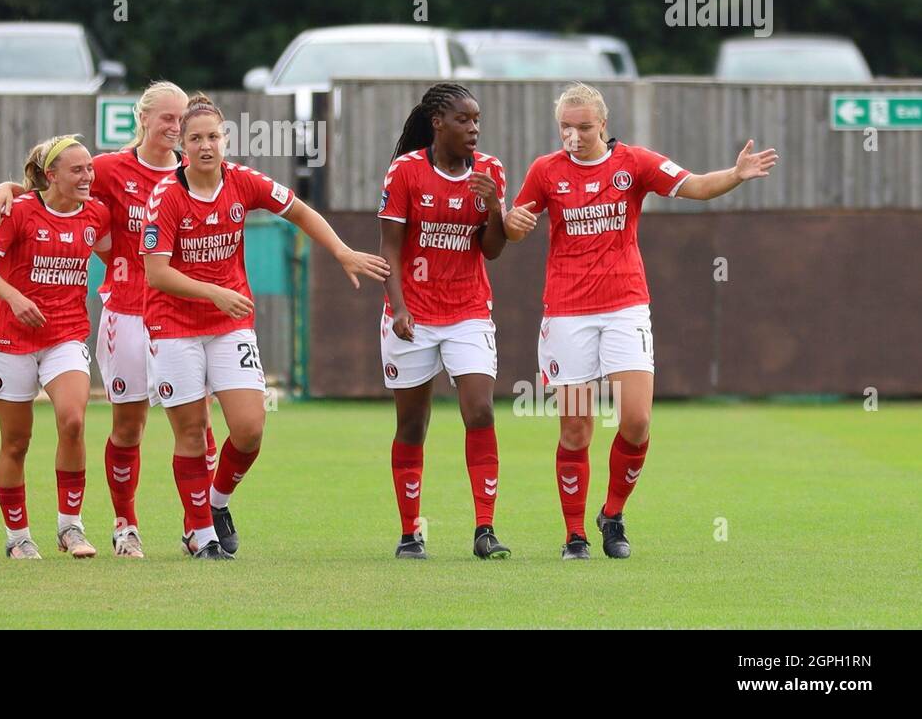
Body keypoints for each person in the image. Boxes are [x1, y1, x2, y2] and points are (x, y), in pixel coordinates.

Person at [505, 82, 778, 559]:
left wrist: (736, 174)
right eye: (565, 128)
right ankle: (574, 535)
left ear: (603, 124)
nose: (573, 136)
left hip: (625, 306)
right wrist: (513, 223)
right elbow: (513, 225)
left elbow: (694, 186)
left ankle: (612, 514)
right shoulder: (545, 171)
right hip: (567, 313)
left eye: (583, 127)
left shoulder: (634, 163)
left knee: (636, 419)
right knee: (575, 429)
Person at [142, 93, 389, 558]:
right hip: (173, 324)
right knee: (191, 432)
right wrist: (215, 291)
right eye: (195, 138)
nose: (206, 146)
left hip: (230, 324)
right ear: (182, 144)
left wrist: (341, 252)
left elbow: (298, 210)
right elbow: (156, 273)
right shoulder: (167, 196)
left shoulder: (243, 182)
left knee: (250, 428)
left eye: (213, 136)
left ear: (225, 139)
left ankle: (216, 504)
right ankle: (200, 535)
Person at [0, 81, 219, 558]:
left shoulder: (197, 170)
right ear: (144, 119)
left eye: (183, 120)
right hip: (127, 313)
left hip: (185, 316)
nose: (176, 128)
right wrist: (7, 188)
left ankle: (201, 526)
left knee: (200, 427)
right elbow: (52, 188)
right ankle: (124, 525)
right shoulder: (108, 169)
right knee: (128, 427)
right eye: (168, 119)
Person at [378, 83, 511, 560]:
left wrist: (495, 207)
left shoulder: (490, 171)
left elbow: (492, 250)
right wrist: (398, 308)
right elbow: (390, 248)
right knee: (412, 426)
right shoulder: (406, 172)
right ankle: (411, 533)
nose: (473, 128)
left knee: (480, 410)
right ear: (438, 123)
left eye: (477, 120)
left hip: (468, 311)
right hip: (413, 312)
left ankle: (485, 529)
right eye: (463, 120)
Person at [0, 135, 111, 559]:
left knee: (73, 421)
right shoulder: (21, 211)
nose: (88, 176)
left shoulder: (97, 215)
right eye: (77, 169)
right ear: (51, 175)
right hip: (12, 339)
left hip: (65, 336)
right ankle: (18, 537)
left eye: (90, 168)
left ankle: (71, 527)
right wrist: (14, 297)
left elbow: (117, 255)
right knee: (16, 442)